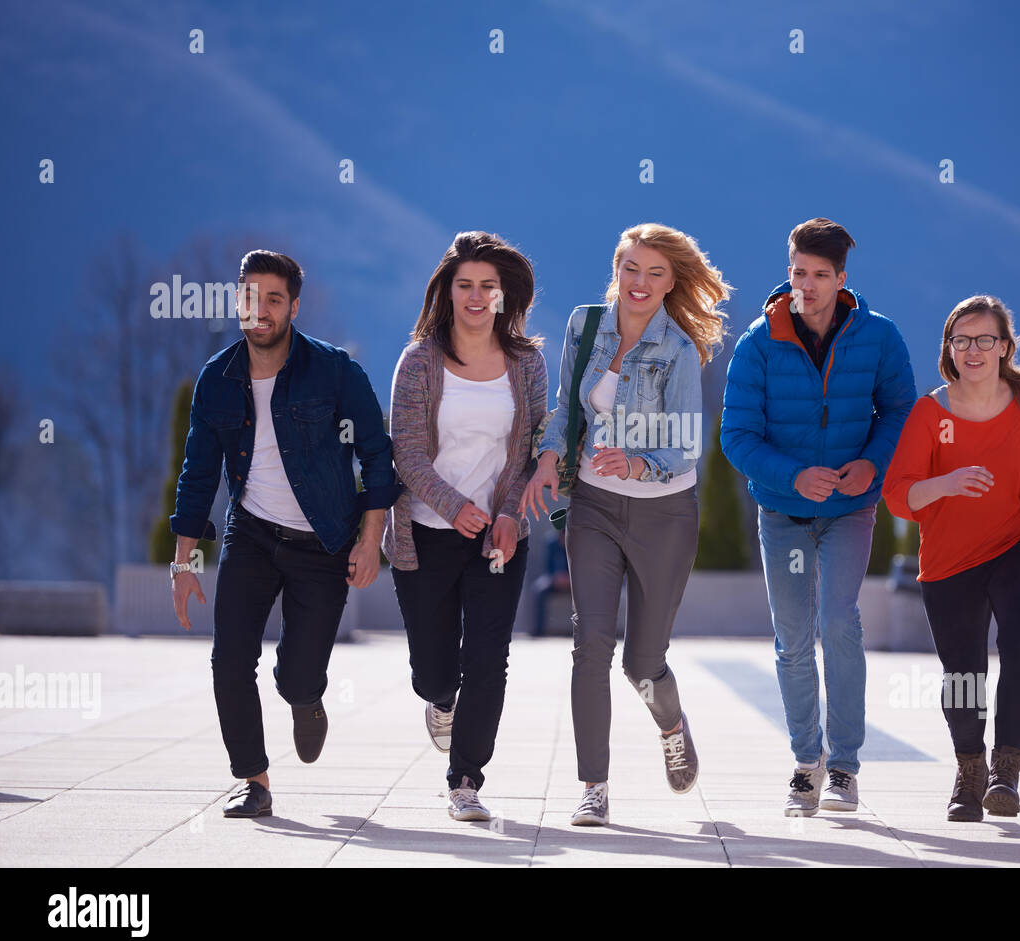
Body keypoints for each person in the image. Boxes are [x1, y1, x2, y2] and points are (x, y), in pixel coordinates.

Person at [170, 249, 400, 818]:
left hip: (323, 542)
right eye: (251, 297)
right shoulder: (217, 379)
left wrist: (371, 540)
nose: (261, 310)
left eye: (274, 298)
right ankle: (255, 781)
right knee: (229, 661)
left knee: (298, 676)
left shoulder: (334, 370)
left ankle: (306, 699)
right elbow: (197, 473)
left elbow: (377, 455)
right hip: (250, 535)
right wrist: (184, 563)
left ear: (293, 306)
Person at [522, 223, 730, 826]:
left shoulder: (679, 348)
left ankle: (671, 724)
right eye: (631, 268)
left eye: (655, 273)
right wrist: (547, 459)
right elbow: (566, 406)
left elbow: (689, 441)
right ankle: (593, 786)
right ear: (615, 269)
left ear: (672, 282)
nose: (640, 283)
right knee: (590, 644)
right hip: (592, 507)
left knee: (642, 663)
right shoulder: (585, 327)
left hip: (664, 512)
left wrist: (639, 459)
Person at [722, 217, 917, 817]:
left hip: (850, 509)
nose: (807, 286)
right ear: (789, 272)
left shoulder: (879, 337)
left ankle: (845, 769)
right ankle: (806, 762)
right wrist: (792, 476)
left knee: (839, 623)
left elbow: (901, 410)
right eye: (799, 273)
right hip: (783, 510)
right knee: (792, 639)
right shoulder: (756, 344)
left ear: (841, 279)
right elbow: (737, 436)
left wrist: (871, 465)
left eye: (820, 276)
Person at [881, 294, 1020, 821]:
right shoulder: (930, 412)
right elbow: (899, 495)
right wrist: (945, 482)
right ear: (949, 348)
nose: (973, 350)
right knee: (963, 672)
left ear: (1005, 347)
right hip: (950, 561)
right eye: (962, 339)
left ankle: (1005, 773)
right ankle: (969, 770)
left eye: (985, 339)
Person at [382, 232, 548, 822]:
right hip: (425, 532)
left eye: (488, 287)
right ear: (447, 292)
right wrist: (453, 507)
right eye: (465, 286)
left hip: (498, 539)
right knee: (434, 669)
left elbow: (530, 451)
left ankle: (466, 779)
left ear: (505, 296)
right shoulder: (420, 360)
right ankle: (439, 700)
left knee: (488, 657)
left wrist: (506, 514)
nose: (477, 297)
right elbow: (405, 452)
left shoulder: (527, 362)